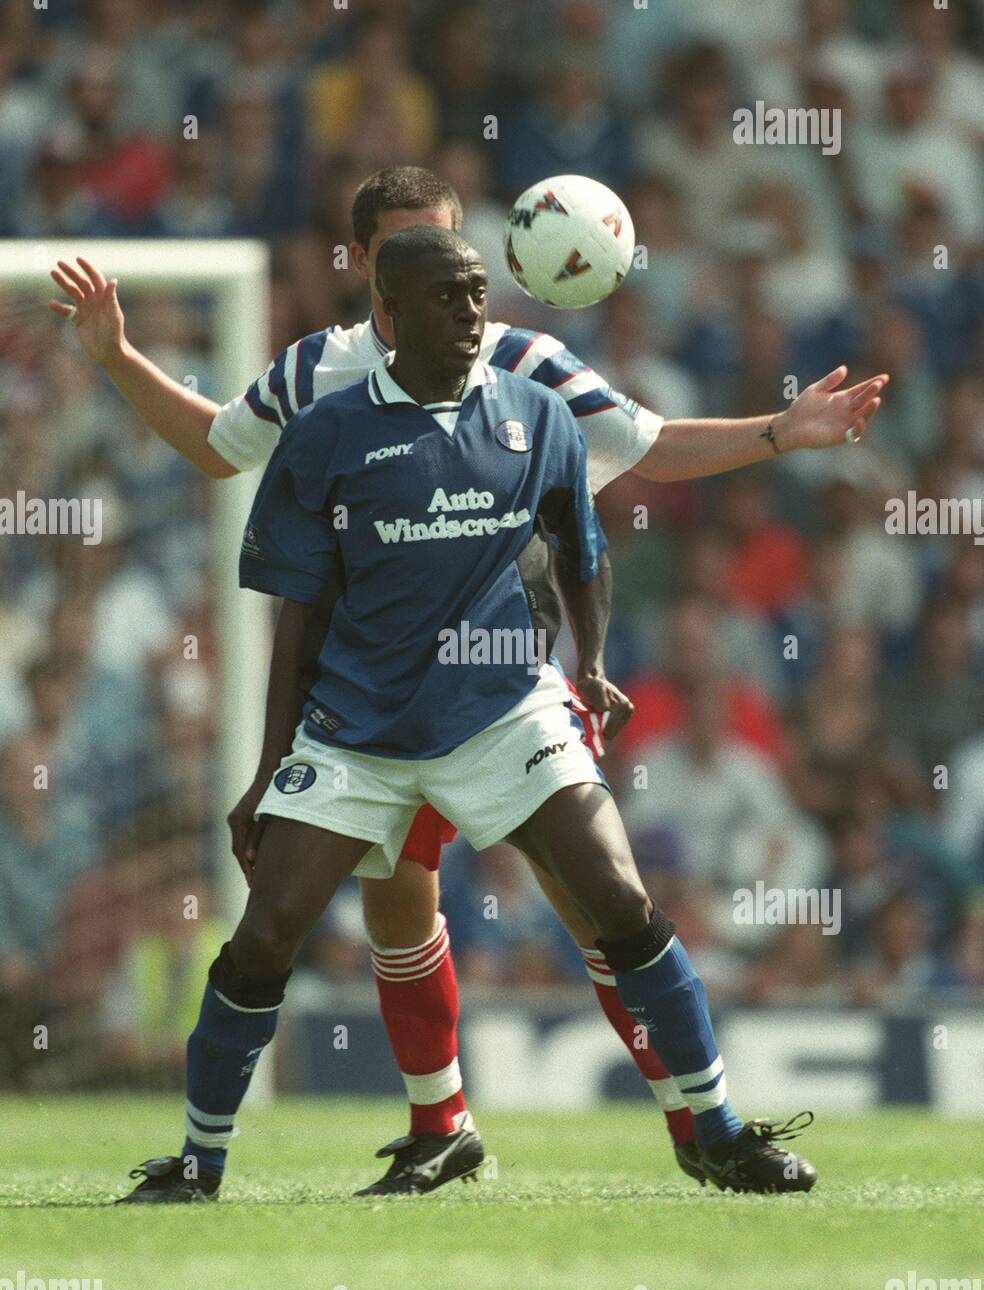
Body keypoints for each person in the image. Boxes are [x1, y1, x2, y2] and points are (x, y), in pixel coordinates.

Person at [51, 165, 885, 1193]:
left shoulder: (526, 366)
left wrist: (776, 432)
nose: (454, 279)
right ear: (365, 268)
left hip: (498, 679)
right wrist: (123, 357)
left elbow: (645, 451)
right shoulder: (317, 381)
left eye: (459, 254)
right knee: (392, 911)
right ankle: (437, 1124)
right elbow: (219, 448)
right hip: (360, 697)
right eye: (418, 252)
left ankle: (699, 1127)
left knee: (596, 905)